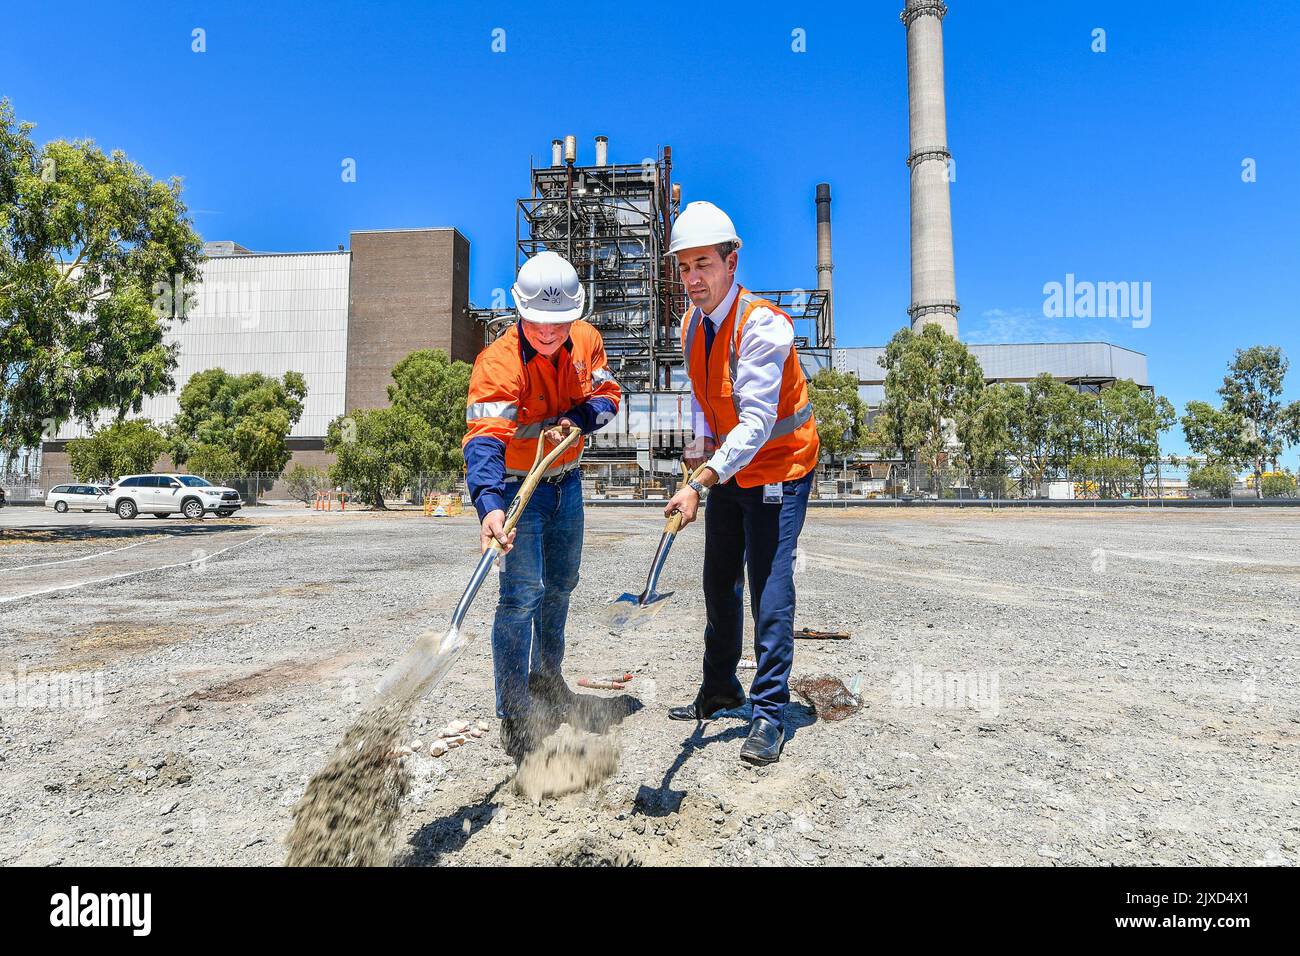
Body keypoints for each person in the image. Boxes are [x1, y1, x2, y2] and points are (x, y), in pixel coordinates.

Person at [661, 201, 820, 765]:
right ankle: (720, 689)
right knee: (717, 580)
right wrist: (702, 446)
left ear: (732, 261)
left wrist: (700, 482)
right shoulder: (691, 323)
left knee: (768, 589)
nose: (692, 279)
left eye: (703, 264)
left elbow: (754, 422)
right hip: (731, 466)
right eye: (683, 267)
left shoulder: (761, 325)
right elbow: (712, 403)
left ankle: (768, 713)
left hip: (779, 467)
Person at [462, 250, 621, 758]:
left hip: (567, 484)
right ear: (519, 313)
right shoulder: (498, 363)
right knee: (519, 597)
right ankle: (514, 712)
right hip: (515, 489)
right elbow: (485, 438)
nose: (550, 334)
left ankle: (548, 683)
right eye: (538, 324)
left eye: (560, 324)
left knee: (562, 586)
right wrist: (489, 505)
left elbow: (609, 395)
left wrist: (577, 419)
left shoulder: (587, 341)